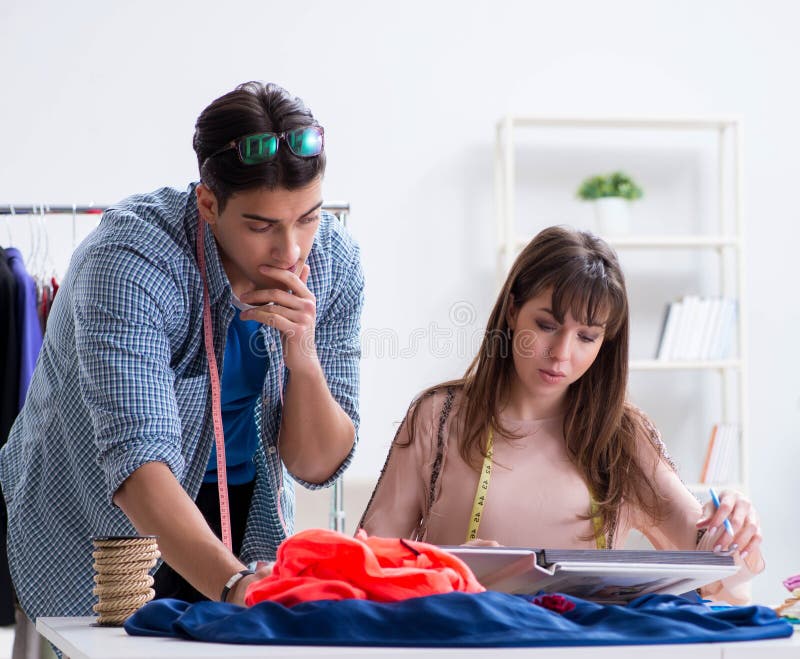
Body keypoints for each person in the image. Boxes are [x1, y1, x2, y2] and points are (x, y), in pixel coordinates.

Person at [0, 81, 364, 620]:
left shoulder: (333, 257)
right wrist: (236, 584)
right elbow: (138, 467)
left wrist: (302, 356)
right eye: (262, 226)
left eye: (307, 218)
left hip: (243, 514)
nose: (290, 251)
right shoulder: (130, 260)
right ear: (208, 203)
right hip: (102, 526)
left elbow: (316, 466)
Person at [359, 226, 762, 604]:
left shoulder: (623, 439)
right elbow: (364, 566)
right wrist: (445, 567)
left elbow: (724, 579)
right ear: (513, 310)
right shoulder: (440, 418)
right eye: (547, 325)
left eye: (587, 337)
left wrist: (735, 522)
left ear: (606, 342)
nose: (561, 353)